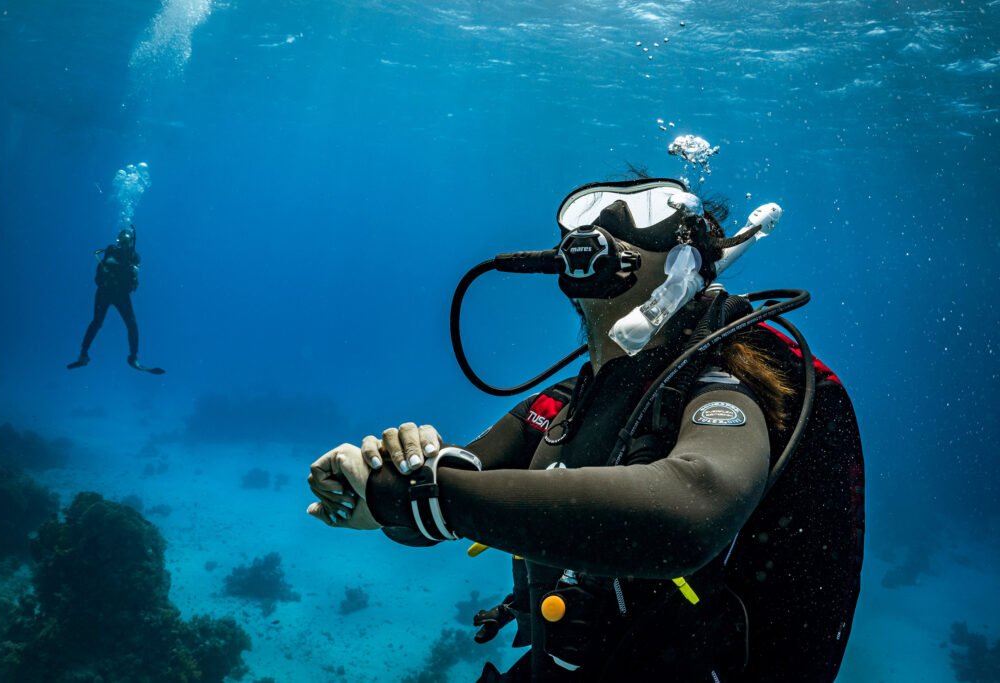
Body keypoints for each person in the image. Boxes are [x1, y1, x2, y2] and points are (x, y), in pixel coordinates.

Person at [306, 177, 865, 682]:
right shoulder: (567, 401)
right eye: (590, 211)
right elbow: (449, 493)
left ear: (686, 263)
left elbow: (691, 514)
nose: (602, 225)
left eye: (644, 211)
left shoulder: (721, 384)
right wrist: (384, 482)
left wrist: (422, 499)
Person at [67, 226, 165, 374]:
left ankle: (133, 357)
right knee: (97, 322)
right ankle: (83, 354)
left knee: (132, 325)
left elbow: (134, 278)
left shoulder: (135, 257)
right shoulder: (111, 250)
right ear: (118, 241)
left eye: (127, 242)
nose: (124, 245)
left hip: (121, 295)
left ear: (132, 242)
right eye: (121, 241)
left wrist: (133, 271)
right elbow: (107, 265)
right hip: (105, 292)